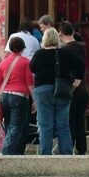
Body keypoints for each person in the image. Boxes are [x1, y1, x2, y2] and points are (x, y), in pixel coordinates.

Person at [29, 27, 84, 156]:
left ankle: (46, 154)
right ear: (57, 39)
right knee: (63, 125)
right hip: (63, 90)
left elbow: (32, 68)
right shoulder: (66, 53)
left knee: (45, 125)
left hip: (43, 90)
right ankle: (66, 154)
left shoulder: (39, 54)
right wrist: (77, 81)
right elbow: (80, 65)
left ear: (44, 39)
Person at [0, 36, 34, 155]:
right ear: (23, 48)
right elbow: (30, 83)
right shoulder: (26, 62)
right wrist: (35, 100)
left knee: (8, 126)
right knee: (16, 127)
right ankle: (5, 152)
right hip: (19, 97)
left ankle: (15, 154)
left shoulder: (3, 62)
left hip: (4, 96)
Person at [59, 21, 89, 155]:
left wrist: (73, 84)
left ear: (60, 34)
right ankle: (81, 149)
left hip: (72, 90)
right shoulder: (81, 47)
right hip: (83, 90)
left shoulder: (65, 50)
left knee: (70, 121)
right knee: (80, 121)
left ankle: (69, 148)